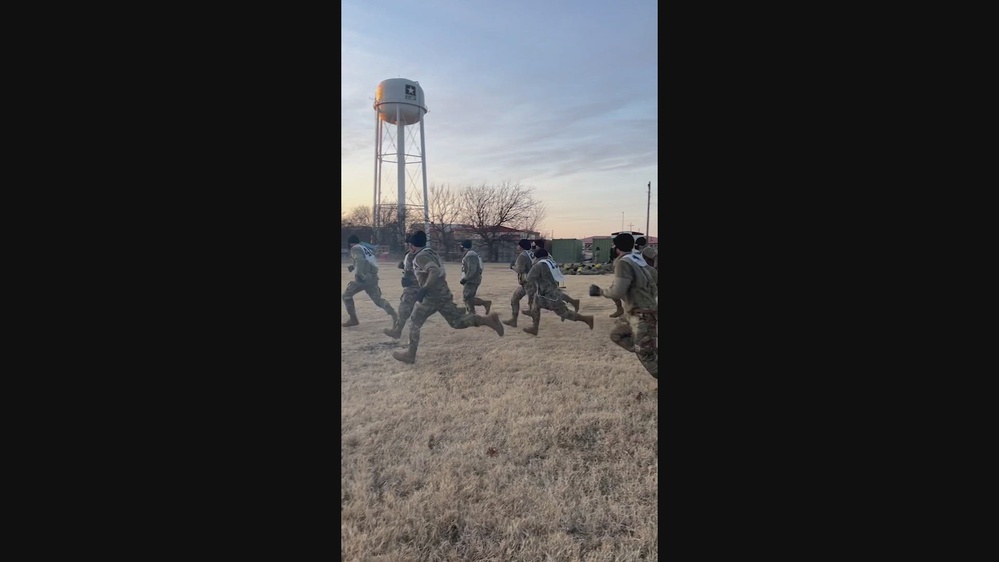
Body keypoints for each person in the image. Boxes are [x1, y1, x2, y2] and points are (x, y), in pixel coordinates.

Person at [391, 230, 505, 364]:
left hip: (432, 296)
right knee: (457, 322)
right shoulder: (431, 253)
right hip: (443, 292)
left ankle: (410, 355)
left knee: (414, 322)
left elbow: (434, 270)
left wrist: (425, 288)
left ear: (412, 245)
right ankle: (488, 320)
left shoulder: (419, 257)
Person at [589, 233, 658, 379]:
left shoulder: (624, 263)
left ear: (617, 248)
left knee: (646, 355)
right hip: (634, 312)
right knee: (616, 333)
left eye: (614, 246)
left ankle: (646, 349)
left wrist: (601, 292)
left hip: (642, 313)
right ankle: (647, 347)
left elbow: (617, 291)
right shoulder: (639, 260)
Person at [521, 248, 594, 335]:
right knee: (535, 307)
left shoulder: (538, 266)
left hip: (549, 295)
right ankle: (534, 328)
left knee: (564, 313)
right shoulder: (551, 262)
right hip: (548, 292)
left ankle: (587, 319)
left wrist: (525, 273)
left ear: (536, 257)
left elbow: (529, 278)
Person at [342, 235, 398, 327]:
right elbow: (367, 261)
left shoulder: (355, 248)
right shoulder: (364, 248)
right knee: (378, 300)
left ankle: (353, 319)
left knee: (346, 296)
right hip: (373, 277)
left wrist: (359, 273)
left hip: (363, 278)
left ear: (350, 244)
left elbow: (360, 260)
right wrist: (354, 267)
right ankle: (393, 314)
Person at [523, 240, 579, 315]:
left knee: (549, 295)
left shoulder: (542, 255)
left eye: (534, 246)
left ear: (538, 246)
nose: (532, 248)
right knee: (554, 293)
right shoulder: (542, 253)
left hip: (546, 279)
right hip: (547, 278)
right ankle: (573, 302)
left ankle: (533, 310)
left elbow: (540, 267)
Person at [383, 234, 420, 339]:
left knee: (404, 308)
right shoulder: (420, 253)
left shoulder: (412, 254)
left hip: (413, 286)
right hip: (421, 286)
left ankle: (397, 331)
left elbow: (412, 270)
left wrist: (407, 278)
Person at [502, 239, 536, 328]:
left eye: (518, 245)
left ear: (521, 246)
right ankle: (514, 320)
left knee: (531, 303)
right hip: (529, 282)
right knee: (516, 299)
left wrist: (512, 267)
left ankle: (534, 324)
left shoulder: (523, 256)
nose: (517, 247)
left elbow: (520, 270)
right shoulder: (531, 253)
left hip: (528, 282)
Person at [458, 240, 492, 314]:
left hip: (471, 280)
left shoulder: (470, 255)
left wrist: (465, 279)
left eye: (461, 246)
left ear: (463, 247)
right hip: (472, 279)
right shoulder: (470, 254)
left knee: (467, 298)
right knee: (469, 297)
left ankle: (478, 308)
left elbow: (472, 269)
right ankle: (472, 312)